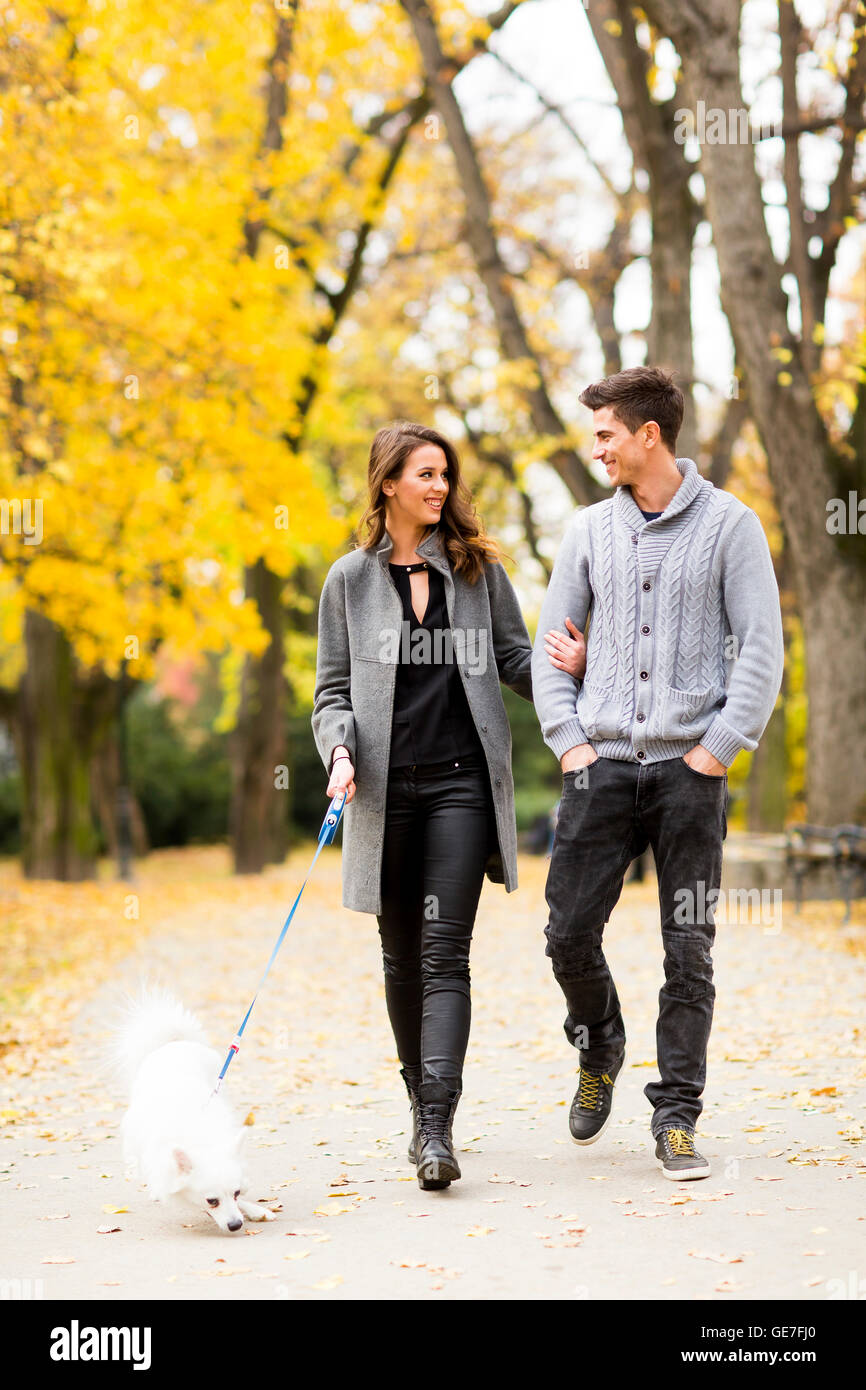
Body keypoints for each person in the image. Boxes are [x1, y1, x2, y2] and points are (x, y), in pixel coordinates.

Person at [311, 420, 585, 1190]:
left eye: (444, 475)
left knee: (444, 953)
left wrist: (574, 671)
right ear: (388, 483)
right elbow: (331, 693)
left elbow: (510, 658)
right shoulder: (349, 582)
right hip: (384, 792)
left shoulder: (476, 570)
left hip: (462, 783)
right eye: (423, 474)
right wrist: (338, 748)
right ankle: (417, 1103)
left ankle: (437, 1125)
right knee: (399, 958)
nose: (438, 487)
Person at [530, 367, 784, 1180]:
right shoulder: (586, 532)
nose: (596, 447)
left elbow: (762, 652)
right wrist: (571, 742)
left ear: (649, 436)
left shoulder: (731, 527)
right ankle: (600, 1040)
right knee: (567, 933)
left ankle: (676, 1117)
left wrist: (716, 749)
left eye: (606, 433)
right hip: (598, 770)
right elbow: (548, 653)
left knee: (690, 950)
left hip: (688, 777)